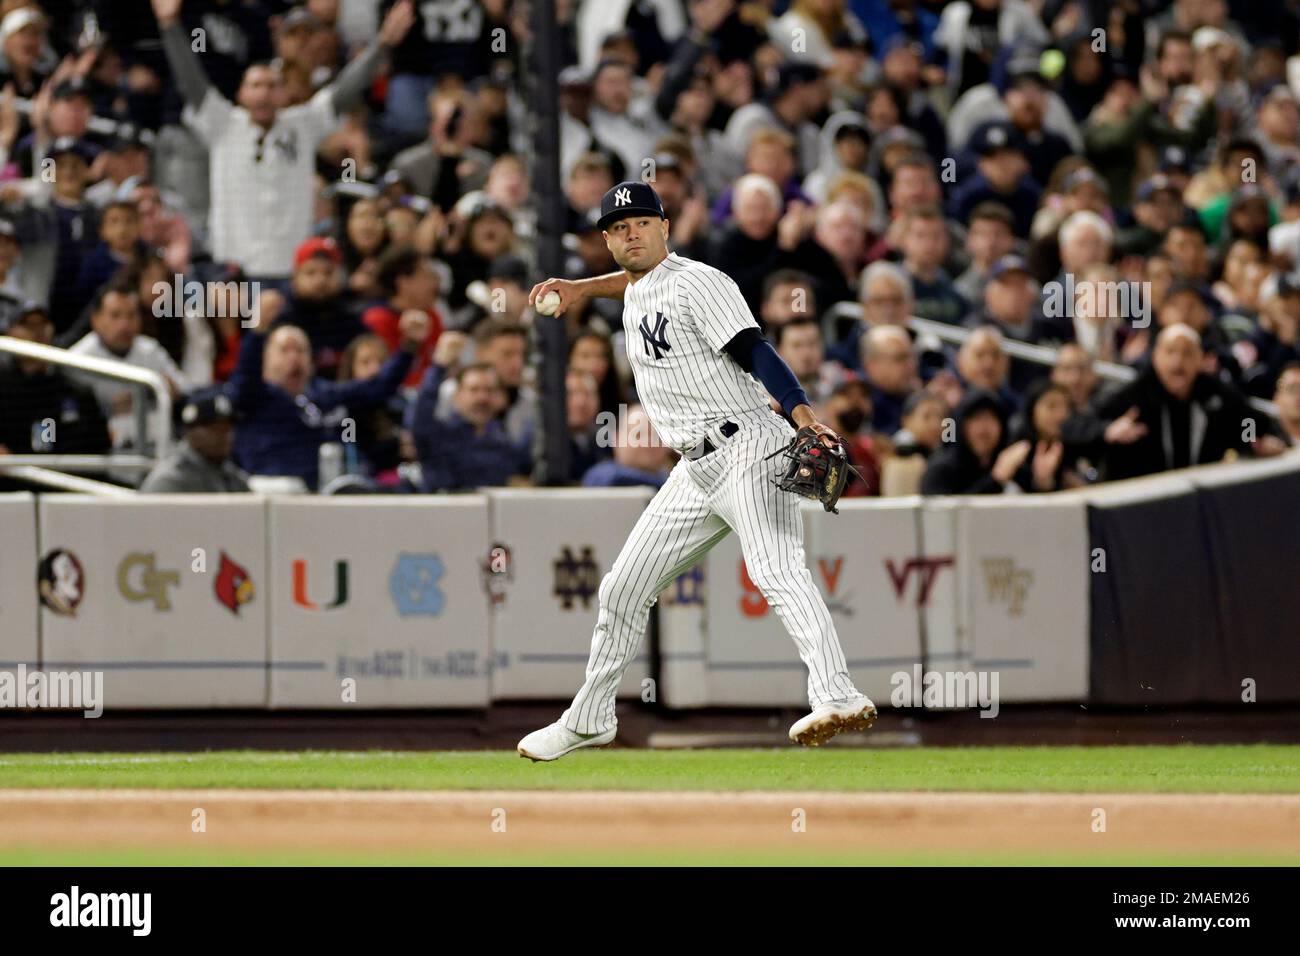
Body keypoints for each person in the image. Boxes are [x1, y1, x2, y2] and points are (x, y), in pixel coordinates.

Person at [521, 180, 876, 761]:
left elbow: (755, 350)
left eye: (640, 222)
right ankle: (589, 717)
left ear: (665, 226)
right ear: (608, 241)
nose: (629, 233)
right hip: (693, 468)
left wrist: (804, 415)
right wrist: (582, 290)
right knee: (622, 588)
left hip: (748, 445)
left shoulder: (700, 282)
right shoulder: (637, 285)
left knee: (776, 569)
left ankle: (837, 693)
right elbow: (634, 283)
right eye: (616, 228)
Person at [151, 0, 415, 279]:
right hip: (233, 271)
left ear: (283, 94)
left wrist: (382, 44)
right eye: (256, 86)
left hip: (290, 271)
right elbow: (190, 79)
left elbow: (345, 90)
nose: (264, 93)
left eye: (272, 86)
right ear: (241, 94)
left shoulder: (303, 124)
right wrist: (169, 26)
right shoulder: (223, 124)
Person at [226, 290, 424, 489]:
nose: (294, 357)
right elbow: (245, 377)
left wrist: (409, 347)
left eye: (301, 350)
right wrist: (257, 331)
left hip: (324, 492)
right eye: (285, 350)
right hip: (271, 493)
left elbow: (376, 386)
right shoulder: (255, 396)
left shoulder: (323, 395)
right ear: (265, 359)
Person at [139, 388, 250, 493]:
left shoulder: (233, 478)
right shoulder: (170, 481)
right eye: (215, 429)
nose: (225, 435)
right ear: (189, 431)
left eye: (228, 428)